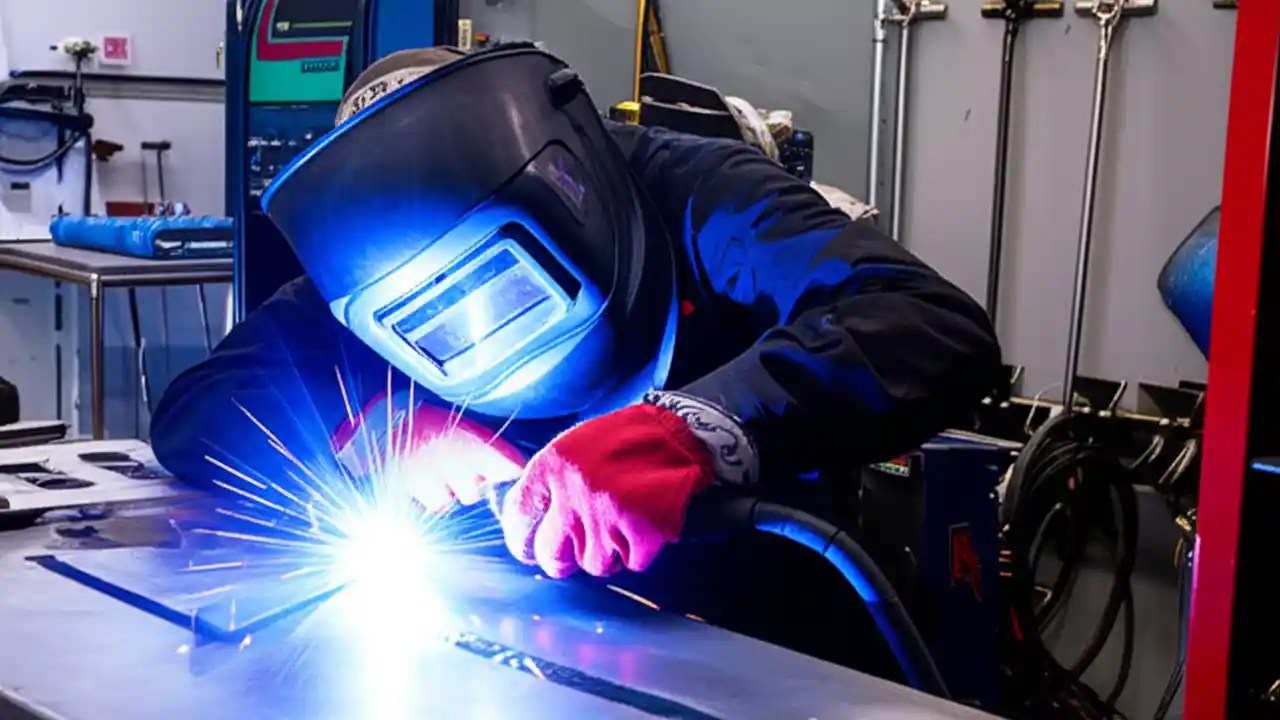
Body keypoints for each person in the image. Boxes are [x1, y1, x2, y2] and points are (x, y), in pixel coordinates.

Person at [151, 44, 1001, 581]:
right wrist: (363, 428)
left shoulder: (692, 189)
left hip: (765, 596)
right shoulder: (365, 280)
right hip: (548, 619)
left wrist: (694, 429)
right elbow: (195, 412)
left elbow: (929, 323)